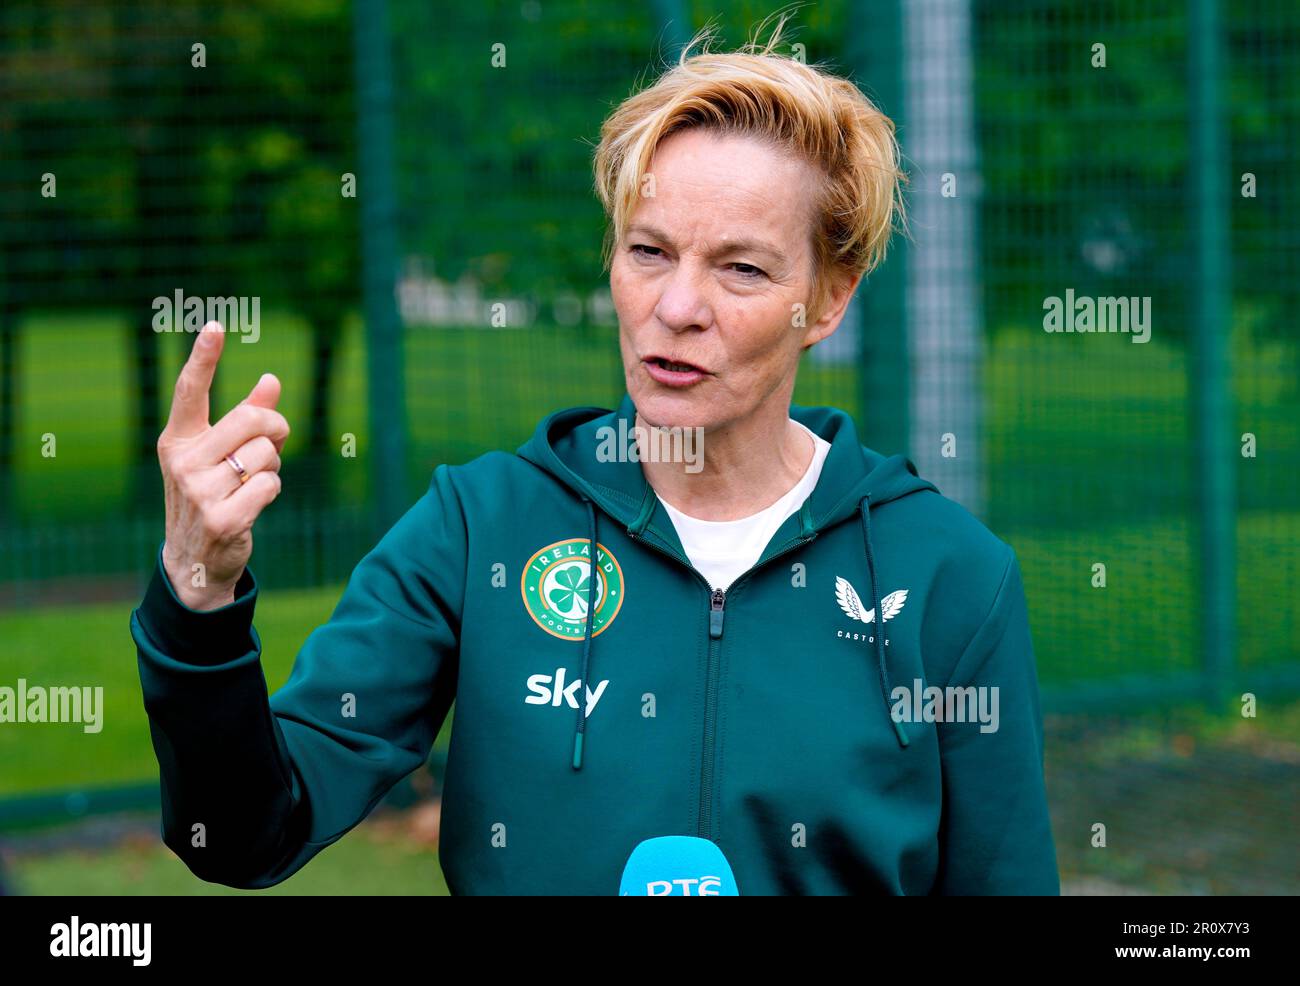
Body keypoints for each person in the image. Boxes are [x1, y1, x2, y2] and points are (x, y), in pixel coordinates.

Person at [130, 18, 1059, 895]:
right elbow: (245, 833)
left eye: (741, 268)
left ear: (826, 301)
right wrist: (197, 599)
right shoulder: (479, 526)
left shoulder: (949, 576)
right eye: (649, 251)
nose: (678, 306)